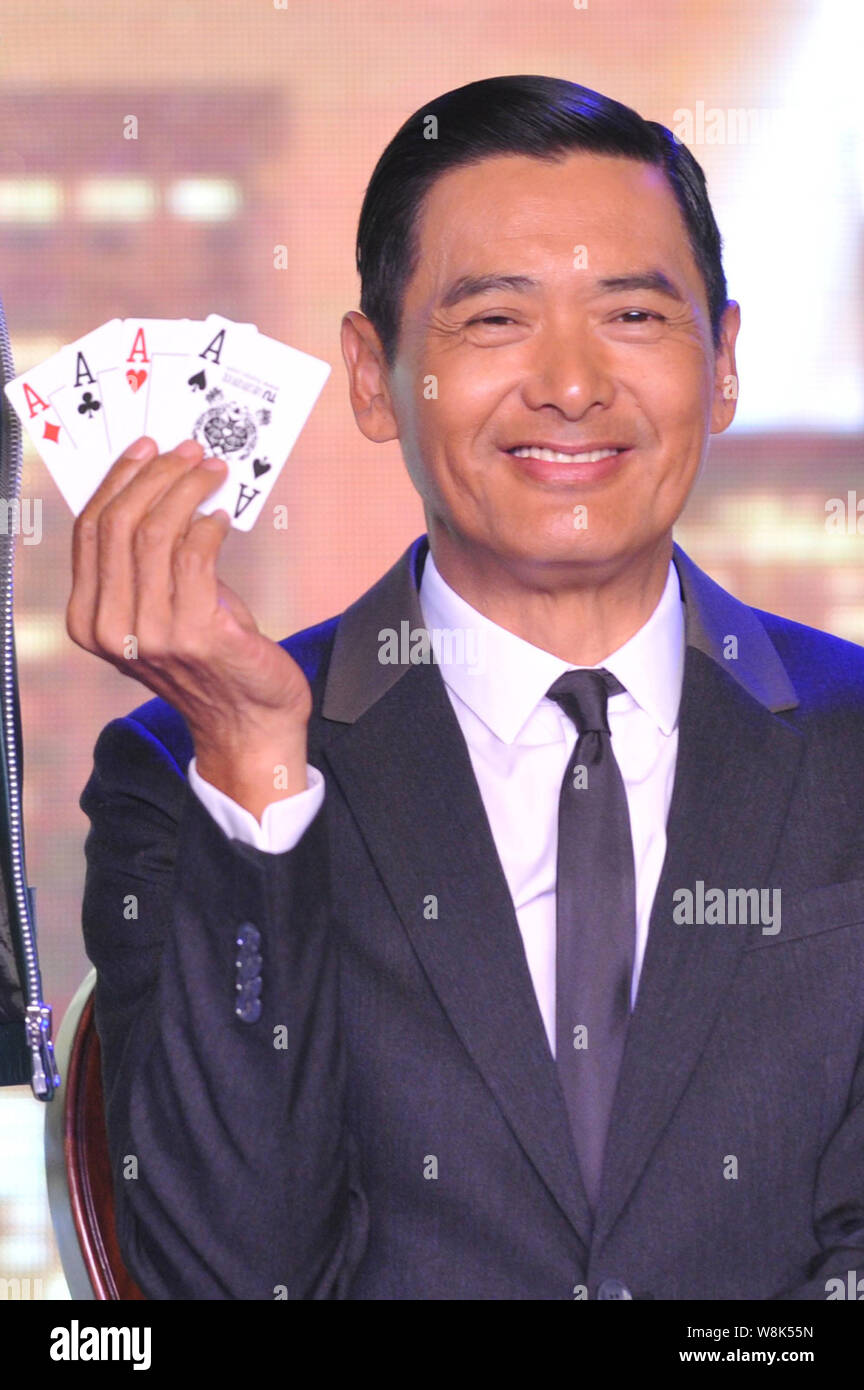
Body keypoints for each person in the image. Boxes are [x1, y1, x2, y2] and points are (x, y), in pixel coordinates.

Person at [70, 75, 864, 1300]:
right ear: (373, 373)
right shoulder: (188, 774)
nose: (571, 384)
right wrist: (259, 766)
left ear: (723, 364)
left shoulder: (849, 741)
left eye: (635, 318)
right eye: (495, 321)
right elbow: (229, 1282)